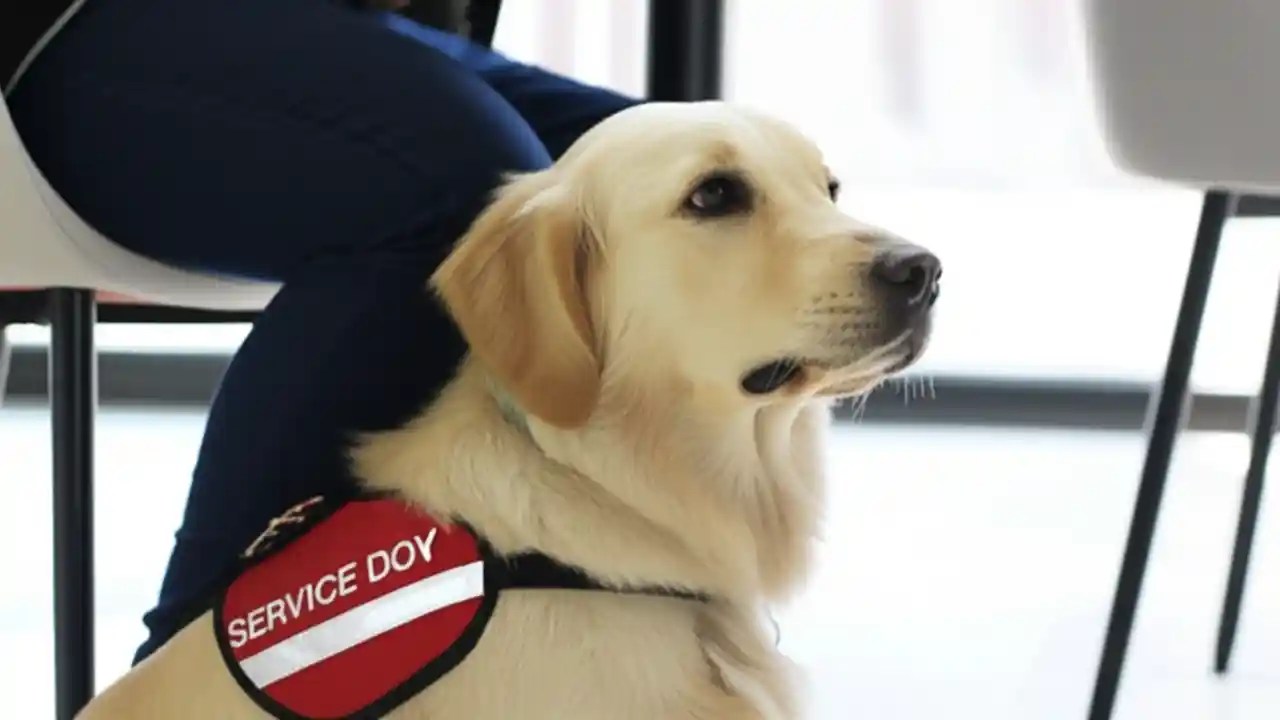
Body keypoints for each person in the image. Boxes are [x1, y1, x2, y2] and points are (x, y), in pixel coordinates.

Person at [3, 0, 640, 662]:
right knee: (468, 189)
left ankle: (596, 657)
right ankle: (193, 675)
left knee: (669, 175)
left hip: (320, 19)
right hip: (61, 30)